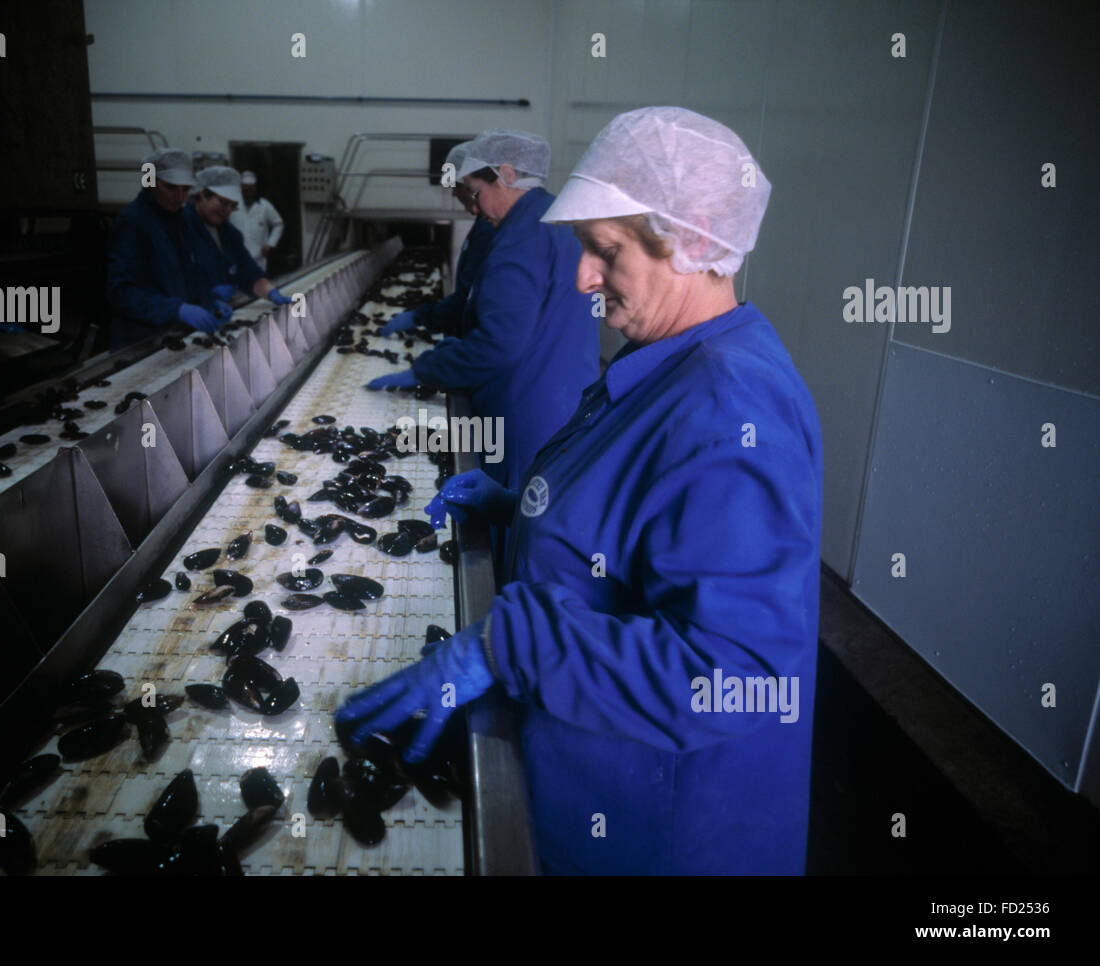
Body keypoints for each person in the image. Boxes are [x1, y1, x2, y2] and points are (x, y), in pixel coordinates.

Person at [338, 107, 824, 875]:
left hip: (662, 832)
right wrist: (516, 509)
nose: (582, 279)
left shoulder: (732, 410)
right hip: (594, 776)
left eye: (606, 251)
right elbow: (634, 521)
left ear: (696, 239)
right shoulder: (668, 357)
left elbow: (735, 679)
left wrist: (509, 643)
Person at [366, 130, 599, 492]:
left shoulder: (520, 238)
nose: (473, 207)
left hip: (526, 412)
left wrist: (426, 370)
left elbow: (498, 345)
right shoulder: (555, 217)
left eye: (475, 192)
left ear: (506, 174)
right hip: (567, 397)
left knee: (512, 509)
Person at [380, 141, 494, 338]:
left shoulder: (489, 227)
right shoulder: (484, 222)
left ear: (473, 185)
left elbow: (469, 299)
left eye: (457, 185)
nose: (453, 192)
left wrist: (421, 317)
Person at [106, 148, 218, 348]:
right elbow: (121, 293)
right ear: (152, 182)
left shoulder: (182, 219)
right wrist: (176, 309)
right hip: (140, 338)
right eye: (171, 187)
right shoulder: (132, 222)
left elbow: (192, 273)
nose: (179, 197)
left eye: (185, 189)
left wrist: (209, 300)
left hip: (174, 333)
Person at [182, 166, 291, 313]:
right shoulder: (180, 227)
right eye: (223, 202)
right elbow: (171, 281)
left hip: (219, 312)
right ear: (202, 195)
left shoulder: (229, 233)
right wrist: (206, 296)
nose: (227, 211)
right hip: (189, 314)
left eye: (232, 206)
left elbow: (247, 270)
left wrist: (270, 291)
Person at [239, 171, 284, 272]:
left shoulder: (264, 205)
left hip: (258, 259)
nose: (248, 192)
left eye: (250, 189)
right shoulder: (233, 205)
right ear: (241, 188)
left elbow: (278, 224)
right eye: (245, 189)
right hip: (237, 259)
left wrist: (270, 244)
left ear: (255, 189)